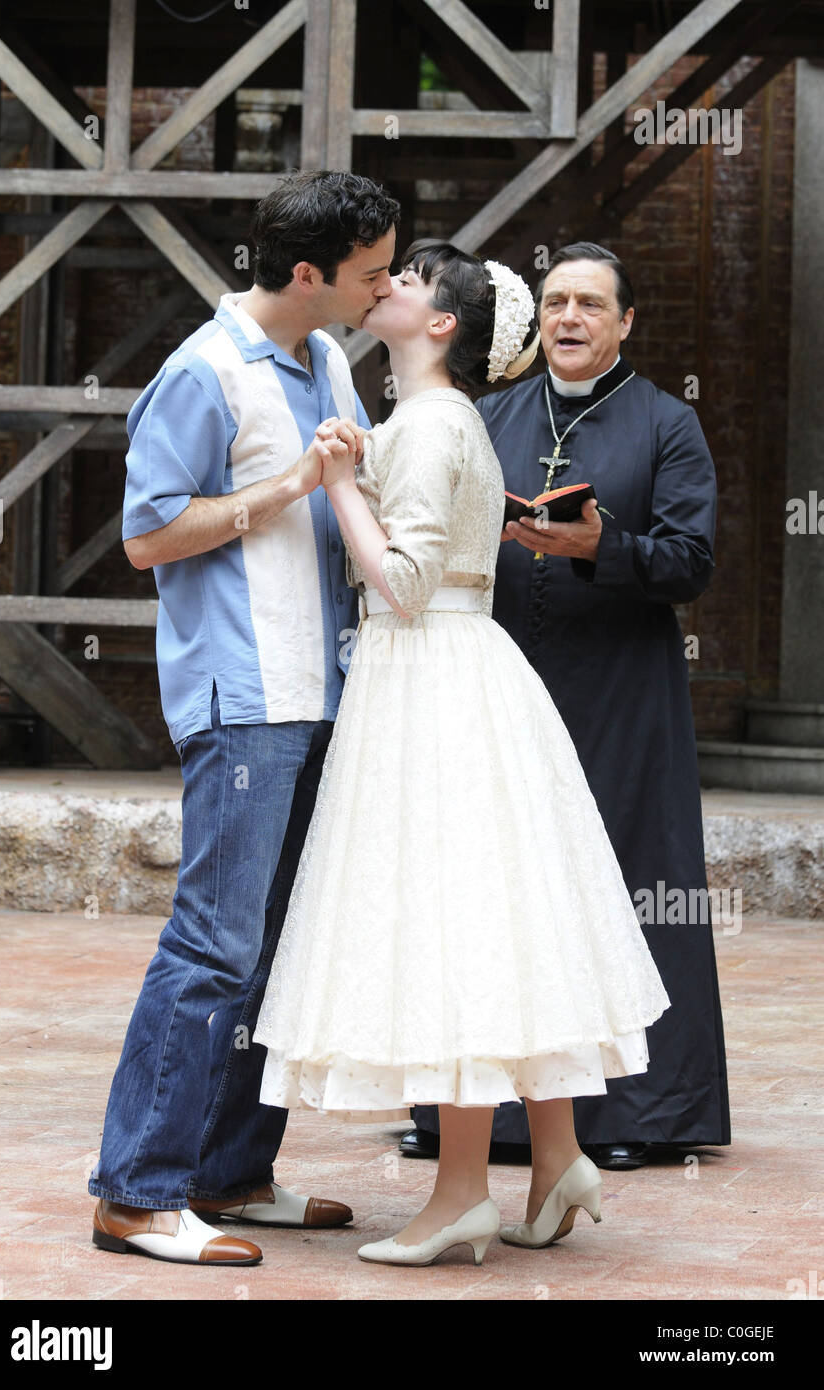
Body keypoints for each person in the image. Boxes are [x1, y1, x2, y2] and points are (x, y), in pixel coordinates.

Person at [253, 239, 671, 1267]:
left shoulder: (434, 426)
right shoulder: (435, 419)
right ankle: (557, 1154)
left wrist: (338, 482)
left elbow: (399, 582)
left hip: (429, 669)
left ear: (441, 323)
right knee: (497, 914)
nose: (384, 285)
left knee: (448, 920)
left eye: (406, 282)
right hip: (451, 669)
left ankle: (455, 1199)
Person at [87, 171, 401, 1267]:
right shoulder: (202, 371)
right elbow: (147, 536)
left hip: (323, 687)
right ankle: (137, 1191)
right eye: (370, 273)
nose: (384, 287)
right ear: (308, 274)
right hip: (246, 697)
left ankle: (229, 1173)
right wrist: (285, 488)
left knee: (273, 948)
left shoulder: (324, 356)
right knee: (213, 946)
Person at [408, 242, 730, 1170]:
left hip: (621, 696)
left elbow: (692, 563)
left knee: (626, 892)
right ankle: (465, 1117)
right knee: (491, 890)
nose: (569, 319)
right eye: (555, 302)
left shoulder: (668, 425)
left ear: (625, 322)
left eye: (590, 304)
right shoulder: (488, 413)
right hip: (501, 681)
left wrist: (601, 545)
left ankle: (637, 1115)